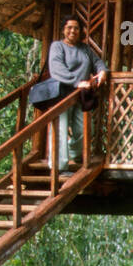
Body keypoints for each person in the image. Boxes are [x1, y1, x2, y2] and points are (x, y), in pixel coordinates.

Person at [46, 15, 108, 171]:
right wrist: (76, 82)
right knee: (60, 129)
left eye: (76, 28)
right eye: (69, 27)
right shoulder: (57, 46)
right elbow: (56, 69)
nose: (73, 31)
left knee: (84, 129)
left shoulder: (85, 48)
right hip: (61, 95)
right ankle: (58, 167)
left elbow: (98, 62)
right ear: (63, 30)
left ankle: (74, 154)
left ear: (81, 31)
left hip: (80, 96)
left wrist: (102, 72)